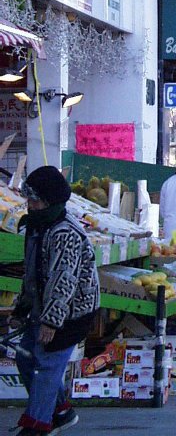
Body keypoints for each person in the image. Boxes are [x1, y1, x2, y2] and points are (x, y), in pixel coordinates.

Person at [11, 166, 100, 436]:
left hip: (72, 311)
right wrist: (22, 308)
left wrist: (51, 321)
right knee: (26, 357)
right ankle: (61, 411)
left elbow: (63, 281)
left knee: (46, 364)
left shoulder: (65, 233)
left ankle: (37, 424)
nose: (30, 205)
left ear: (50, 201)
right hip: (43, 305)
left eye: (35, 200)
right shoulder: (37, 227)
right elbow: (32, 272)